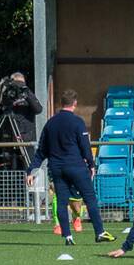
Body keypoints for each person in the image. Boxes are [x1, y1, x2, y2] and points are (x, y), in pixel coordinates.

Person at [28, 89, 115, 246]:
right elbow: (85, 147)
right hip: (76, 167)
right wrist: (91, 164)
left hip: (57, 169)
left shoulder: (50, 124)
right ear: (75, 103)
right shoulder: (77, 122)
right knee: (90, 199)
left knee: (61, 202)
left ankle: (68, 236)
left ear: (62, 104)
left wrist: (32, 170)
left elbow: (41, 151)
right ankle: (100, 232)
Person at [6, 72, 43, 170]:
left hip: (26, 138)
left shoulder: (27, 94)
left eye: (19, 83)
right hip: (11, 137)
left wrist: (26, 93)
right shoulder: (10, 95)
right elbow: (2, 106)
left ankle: (29, 184)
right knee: (13, 169)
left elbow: (38, 109)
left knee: (27, 168)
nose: (17, 86)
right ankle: (13, 184)